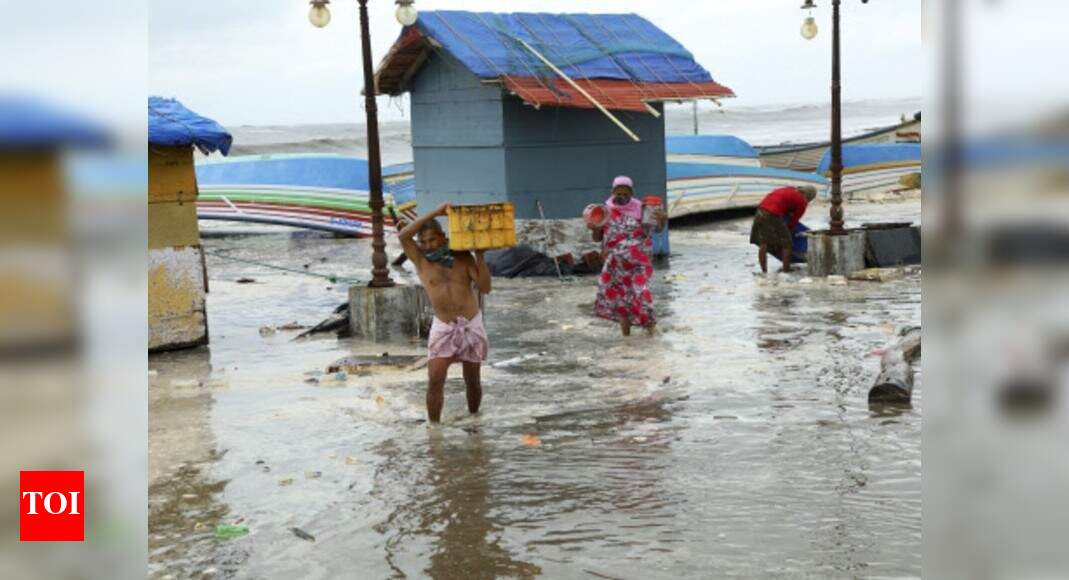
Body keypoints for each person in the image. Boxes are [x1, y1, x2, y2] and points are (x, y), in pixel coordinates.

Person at [398, 203, 492, 423]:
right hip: (443, 327)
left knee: (473, 381)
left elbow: (485, 288)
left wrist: (480, 256)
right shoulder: (421, 260)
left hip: (470, 325)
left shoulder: (462, 258)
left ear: (443, 237)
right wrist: (435, 211)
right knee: (435, 380)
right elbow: (404, 236)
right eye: (424, 242)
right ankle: (434, 429)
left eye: (433, 240)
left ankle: (474, 422)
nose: (429, 246)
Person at [589, 176, 666, 337]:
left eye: (626, 193)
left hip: (639, 261)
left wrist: (662, 222)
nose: (622, 196)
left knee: (642, 294)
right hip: (616, 263)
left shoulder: (642, 209)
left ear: (631, 193)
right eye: (619, 193)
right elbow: (597, 238)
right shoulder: (605, 210)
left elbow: (655, 230)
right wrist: (594, 228)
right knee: (621, 301)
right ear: (613, 192)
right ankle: (626, 338)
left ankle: (651, 331)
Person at [750, 185, 817, 273]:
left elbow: (782, 202)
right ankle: (786, 270)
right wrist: (789, 233)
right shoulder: (802, 202)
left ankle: (764, 271)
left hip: (760, 210)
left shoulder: (790, 189)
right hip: (773, 214)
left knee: (764, 243)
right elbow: (793, 222)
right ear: (808, 197)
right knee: (787, 244)